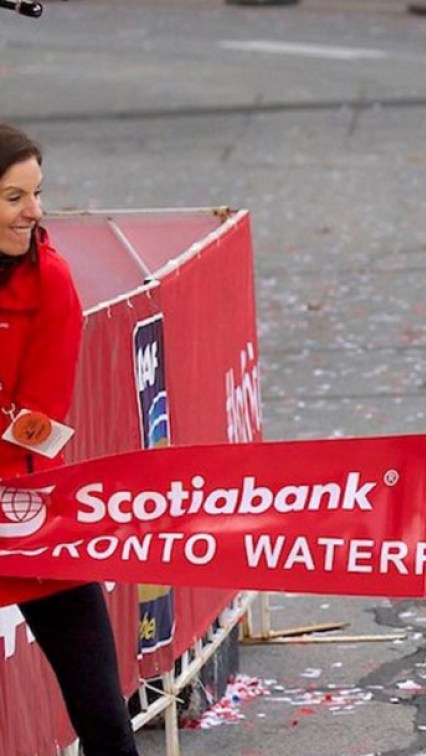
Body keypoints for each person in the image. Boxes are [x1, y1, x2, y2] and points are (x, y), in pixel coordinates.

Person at [0, 124, 140, 756]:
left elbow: (41, 426)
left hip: (27, 513)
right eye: (13, 197)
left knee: (105, 718)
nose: (34, 211)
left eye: (36, 193)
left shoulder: (50, 281)